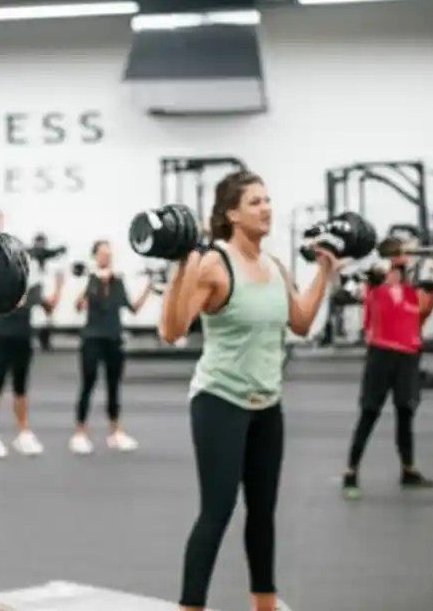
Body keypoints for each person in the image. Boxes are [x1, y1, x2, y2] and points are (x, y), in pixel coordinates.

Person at [158, 170, 339, 611]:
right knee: (217, 510)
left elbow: (299, 322)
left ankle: (264, 601)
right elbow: (172, 329)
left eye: (268, 199)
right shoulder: (213, 263)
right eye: (255, 201)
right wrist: (181, 265)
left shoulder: (275, 265)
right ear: (232, 214)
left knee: (262, 513)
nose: (266, 208)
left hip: (267, 404)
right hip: (220, 400)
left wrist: (324, 274)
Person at [342, 237, 433, 499]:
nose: (407, 256)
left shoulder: (413, 285)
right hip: (381, 353)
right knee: (370, 412)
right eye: (402, 252)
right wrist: (373, 272)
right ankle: (350, 471)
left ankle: (408, 470)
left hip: (408, 354)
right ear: (392, 256)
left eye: (408, 252)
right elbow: (348, 288)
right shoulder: (375, 282)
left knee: (405, 411)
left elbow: (422, 312)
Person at [69, 240, 150, 455]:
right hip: (92, 339)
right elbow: (77, 306)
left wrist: (149, 288)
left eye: (109, 254)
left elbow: (133, 308)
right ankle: (79, 433)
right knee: (88, 383)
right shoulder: (90, 280)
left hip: (114, 339)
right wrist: (87, 284)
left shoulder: (118, 282)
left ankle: (115, 432)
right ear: (95, 256)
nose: (106, 258)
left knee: (114, 386)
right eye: (102, 254)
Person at [0, 273, 60, 459]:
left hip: (23, 340)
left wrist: (59, 285)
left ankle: (23, 433)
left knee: (20, 388)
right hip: (0, 338)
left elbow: (49, 308)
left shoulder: (32, 289)